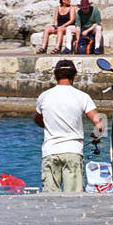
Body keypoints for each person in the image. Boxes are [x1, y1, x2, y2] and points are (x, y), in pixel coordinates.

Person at [33, 58, 105, 192]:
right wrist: (96, 135)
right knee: (74, 199)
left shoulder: (44, 96)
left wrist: (49, 126)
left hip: (50, 151)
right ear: (75, 75)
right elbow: (99, 123)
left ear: (55, 76)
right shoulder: (83, 97)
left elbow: (37, 119)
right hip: (73, 150)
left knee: (50, 198)